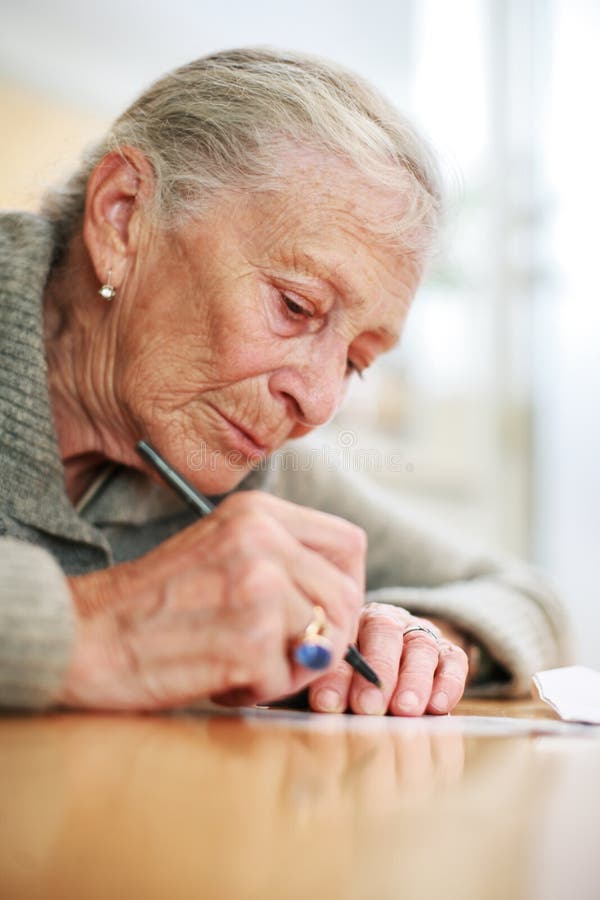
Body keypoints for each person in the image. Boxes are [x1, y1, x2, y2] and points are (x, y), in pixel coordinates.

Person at [0, 48, 569, 715]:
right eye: (295, 307)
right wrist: (92, 628)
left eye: (356, 361)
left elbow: (529, 597)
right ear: (124, 218)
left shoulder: (249, 470)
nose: (321, 402)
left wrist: (418, 635)